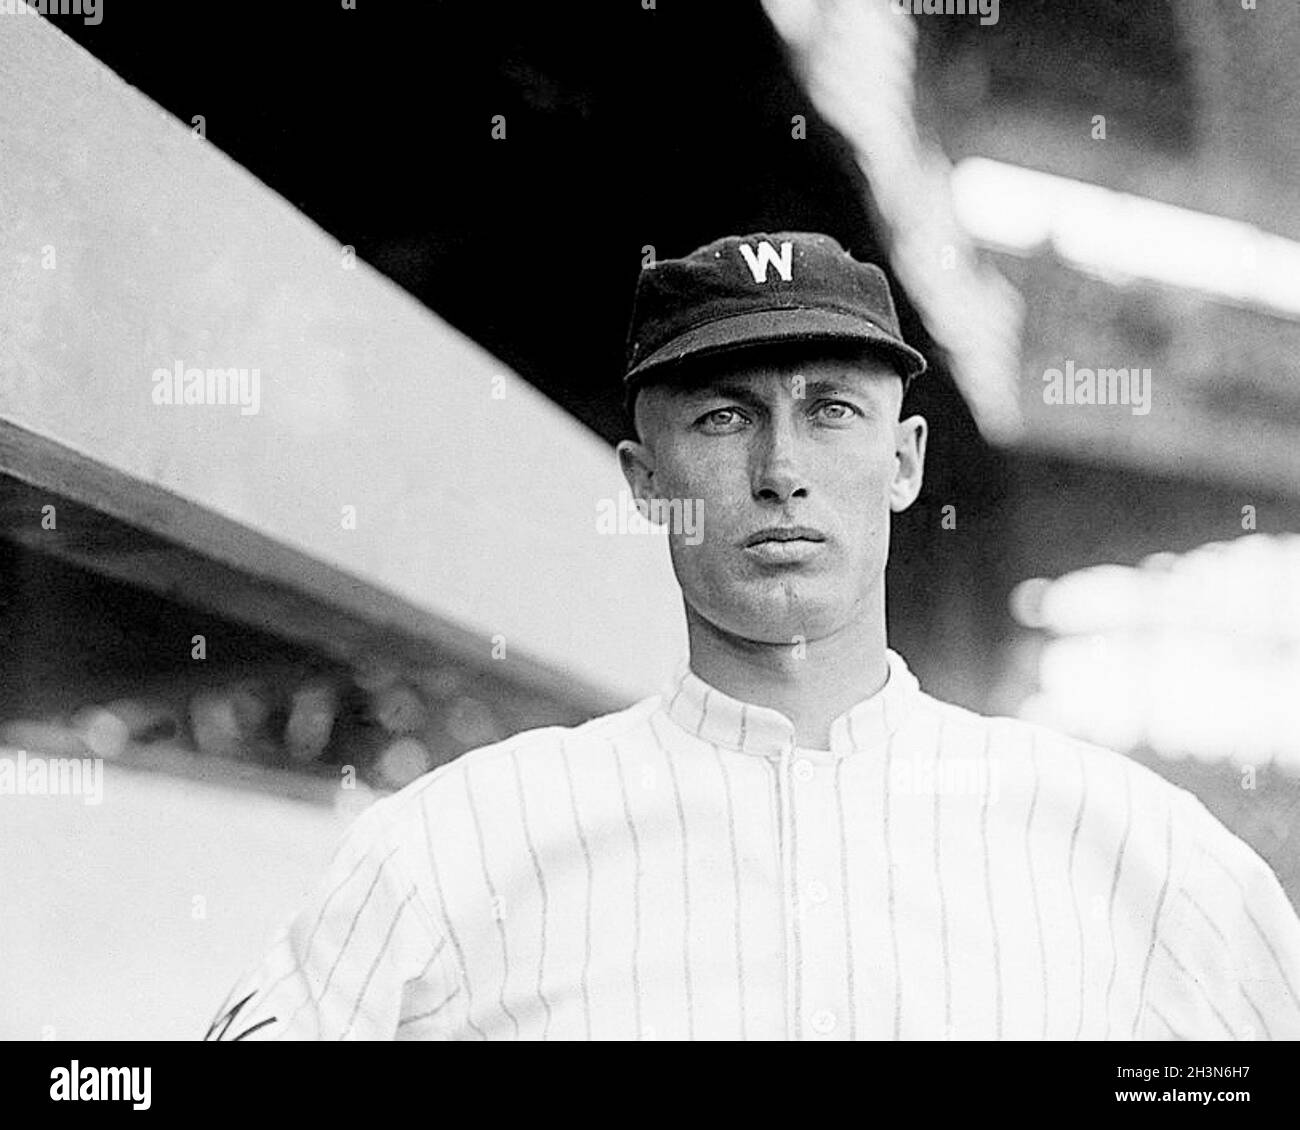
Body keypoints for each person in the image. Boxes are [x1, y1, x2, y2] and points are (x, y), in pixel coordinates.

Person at [206, 231, 1300, 1041]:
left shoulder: (1134, 847)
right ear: (646, 480)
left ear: (904, 461)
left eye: (831, 410)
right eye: (724, 416)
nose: (780, 470)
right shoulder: (453, 847)